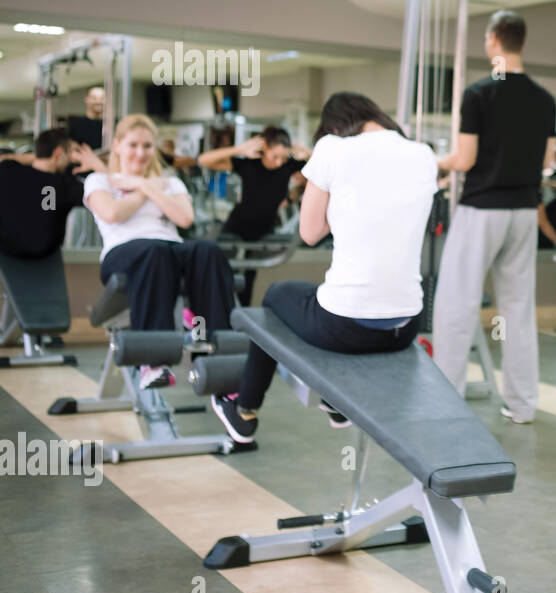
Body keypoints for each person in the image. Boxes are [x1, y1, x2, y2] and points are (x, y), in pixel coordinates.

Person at [210, 93, 435, 444]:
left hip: (343, 326)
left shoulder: (332, 147)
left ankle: (244, 409)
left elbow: (310, 233)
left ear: (333, 126)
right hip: (405, 326)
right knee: (323, 299)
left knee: (276, 294)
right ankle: (334, 402)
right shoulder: (423, 153)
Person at [433, 9, 556, 425]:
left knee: (457, 303)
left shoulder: (479, 94)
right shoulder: (544, 99)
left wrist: (435, 161)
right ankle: (522, 405)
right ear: (521, 42)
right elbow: (547, 159)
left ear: (491, 41)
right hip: (522, 211)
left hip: (481, 210)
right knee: (518, 309)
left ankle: (447, 399)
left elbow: (464, 159)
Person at [82, 114, 236, 389]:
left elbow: (184, 218)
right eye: (133, 145)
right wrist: (145, 188)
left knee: (207, 251)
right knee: (154, 252)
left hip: (169, 248)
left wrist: (146, 185)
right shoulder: (100, 181)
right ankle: (153, 362)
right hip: (123, 252)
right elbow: (112, 213)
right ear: (117, 145)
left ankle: (219, 348)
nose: (140, 153)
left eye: (147, 146)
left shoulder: (171, 181)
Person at [198, 127, 310, 303]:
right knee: (227, 272)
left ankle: (242, 318)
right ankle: (221, 311)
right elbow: (203, 160)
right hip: (236, 226)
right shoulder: (249, 164)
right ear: (264, 148)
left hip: (263, 230)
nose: (279, 162)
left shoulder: (288, 166)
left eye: (283, 157)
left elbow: (327, 167)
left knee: (249, 277)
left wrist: (308, 152)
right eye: (275, 156)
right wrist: (238, 150)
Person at [0, 129, 105, 259]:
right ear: (58, 153)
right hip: (45, 261)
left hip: (6, 259)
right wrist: (97, 165)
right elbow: (107, 194)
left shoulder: (7, 170)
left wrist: (40, 155)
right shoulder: (65, 184)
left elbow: (4, 159)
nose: (70, 160)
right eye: (69, 154)